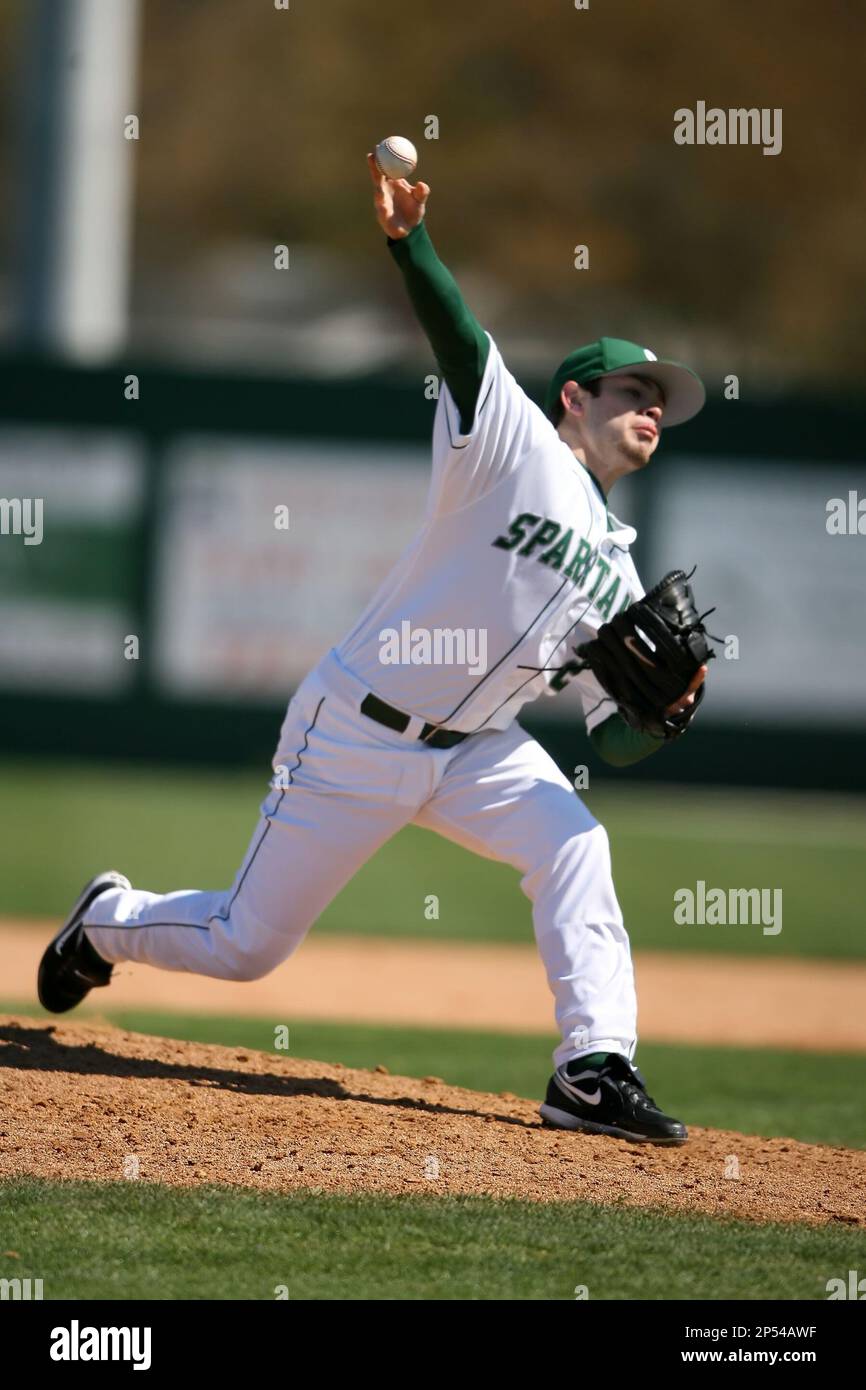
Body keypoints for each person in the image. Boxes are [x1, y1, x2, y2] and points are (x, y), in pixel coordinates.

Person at [38, 156, 708, 1145]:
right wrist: (410, 244)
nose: (651, 407)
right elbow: (459, 338)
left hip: (476, 749)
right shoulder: (511, 445)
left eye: (662, 400)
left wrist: (662, 720)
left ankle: (592, 1068)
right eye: (631, 390)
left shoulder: (619, 576)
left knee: (576, 842)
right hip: (357, 727)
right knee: (245, 948)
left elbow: (610, 744)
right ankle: (105, 920)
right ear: (573, 397)